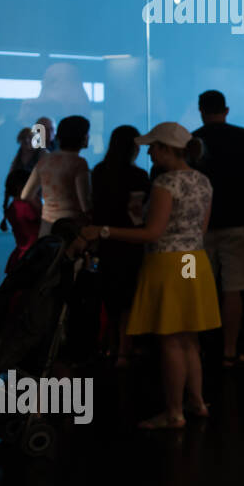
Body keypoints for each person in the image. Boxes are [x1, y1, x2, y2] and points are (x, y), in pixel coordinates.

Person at [81, 123, 218, 428]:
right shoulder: (202, 181)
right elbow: (202, 230)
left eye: (153, 146)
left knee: (170, 340)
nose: (148, 151)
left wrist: (103, 231)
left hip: (168, 262)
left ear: (168, 149)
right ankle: (196, 402)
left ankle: (173, 412)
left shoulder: (165, 183)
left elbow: (152, 232)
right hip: (193, 261)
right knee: (189, 338)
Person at [192, 90, 244, 368]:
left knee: (201, 287)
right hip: (240, 225)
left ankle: (196, 347)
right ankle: (229, 351)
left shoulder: (193, 139)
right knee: (233, 289)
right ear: (226, 110)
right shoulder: (243, 137)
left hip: (200, 226)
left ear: (201, 110)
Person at [90, 125, 151, 367]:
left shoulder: (99, 171)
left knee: (110, 294)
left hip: (105, 239)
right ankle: (125, 349)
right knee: (128, 296)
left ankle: (110, 344)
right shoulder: (138, 176)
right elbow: (140, 210)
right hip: (131, 239)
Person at [20, 114, 91, 237]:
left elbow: (25, 195)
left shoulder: (44, 161)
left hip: (46, 229)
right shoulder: (79, 163)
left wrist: (47, 210)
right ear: (82, 137)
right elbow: (85, 206)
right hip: (71, 231)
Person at [0, 166, 41, 272]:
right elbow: (43, 222)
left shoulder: (12, 207)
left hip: (20, 255)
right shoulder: (26, 207)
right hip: (33, 256)